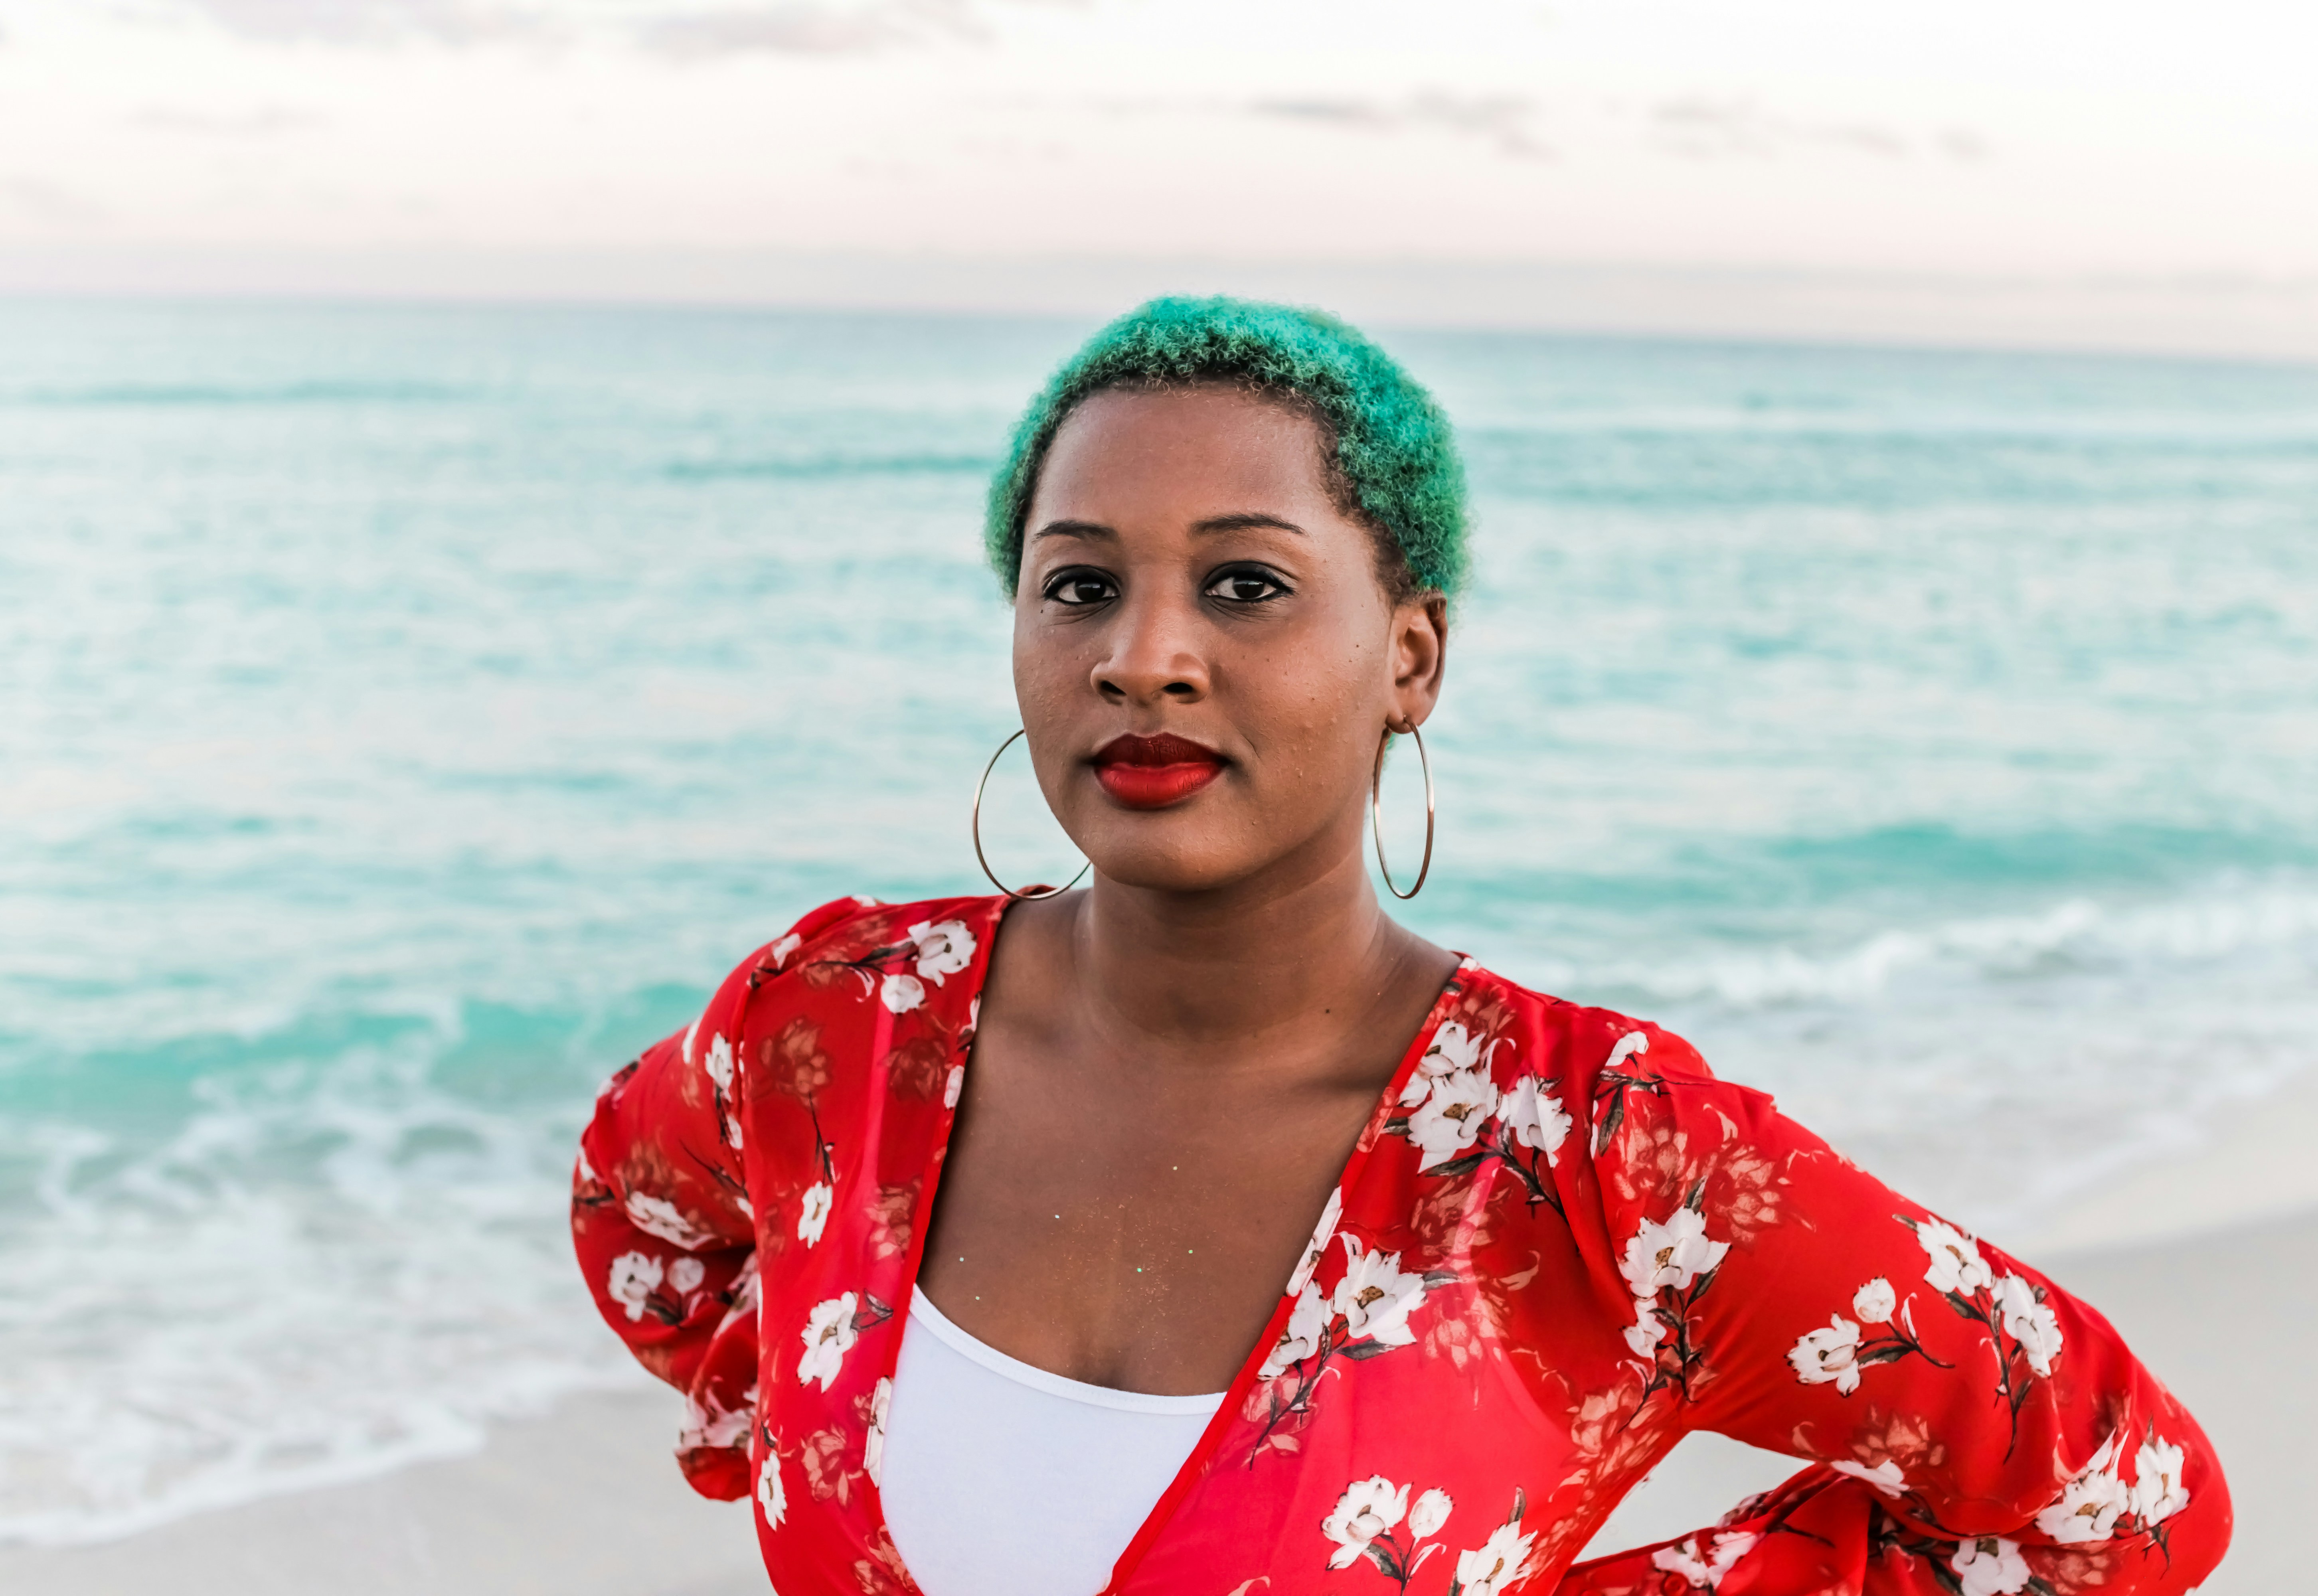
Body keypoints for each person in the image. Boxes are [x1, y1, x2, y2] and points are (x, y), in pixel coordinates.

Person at [570, 298, 2229, 1596]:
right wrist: (793, 1391)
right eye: (1078, 587)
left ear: (1411, 655)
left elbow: (2126, 1498)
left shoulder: (1594, 1164)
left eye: (1245, 585)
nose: (1144, 656)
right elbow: (639, 1214)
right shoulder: (835, 1026)